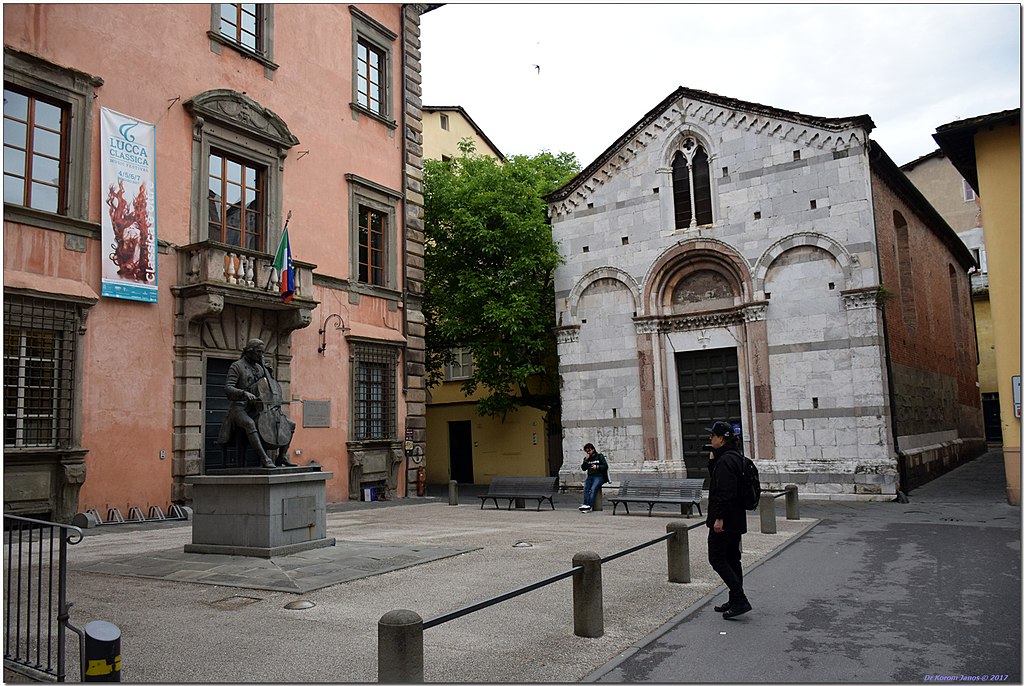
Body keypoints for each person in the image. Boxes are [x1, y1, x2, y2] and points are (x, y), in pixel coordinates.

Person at [217, 338, 294, 469]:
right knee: (250, 424)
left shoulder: (259, 368)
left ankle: (281, 456)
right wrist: (243, 393)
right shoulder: (237, 366)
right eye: (259, 352)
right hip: (240, 408)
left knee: (290, 424)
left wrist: (269, 373)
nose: (261, 355)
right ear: (250, 351)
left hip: (258, 407)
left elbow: (268, 388)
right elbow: (228, 388)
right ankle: (265, 458)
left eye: (262, 352)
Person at [705, 420, 752, 619]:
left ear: (721, 438)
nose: (710, 439)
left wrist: (719, 519)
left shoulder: (725, 461)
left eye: (712, 436)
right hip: (737, 518)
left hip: (725, 520)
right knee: (733, 558)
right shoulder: (735, 456)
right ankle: (735, 598)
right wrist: (712, 461)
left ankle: (740, 599)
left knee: (716, 558)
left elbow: (724, 492)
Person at [579, 443, 609, 513]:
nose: (588, 452)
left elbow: (605, 466)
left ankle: (589, 505)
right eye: (587, 451)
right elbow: (583, 468)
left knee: (593, 489)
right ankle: (586, 504)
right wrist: (585, 461)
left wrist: (597, 467)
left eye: (589, 450)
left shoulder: (599, 456)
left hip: (599, 476)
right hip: (590, 476)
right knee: (586, 488)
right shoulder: (587, 458)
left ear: (593, 449)